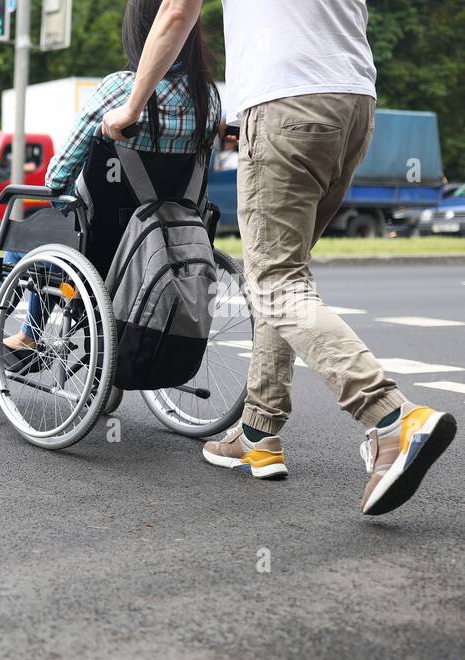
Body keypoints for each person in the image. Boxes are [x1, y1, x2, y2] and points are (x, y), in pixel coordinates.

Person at [102, 0, 456, 515]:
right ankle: (257, 432)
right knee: (281, 274)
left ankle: (392, 418)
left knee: (275, 280)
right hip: (353, 104)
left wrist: (132, 106)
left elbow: (176, 11)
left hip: (286, 104)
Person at [0, 0, 221, 361]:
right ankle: (25, 335)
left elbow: (58, 174)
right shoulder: (208, 98)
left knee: (38, 236)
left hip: (102, 245)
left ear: (139, 30)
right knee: (59, 238)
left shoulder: (119, 91)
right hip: (172, 240)